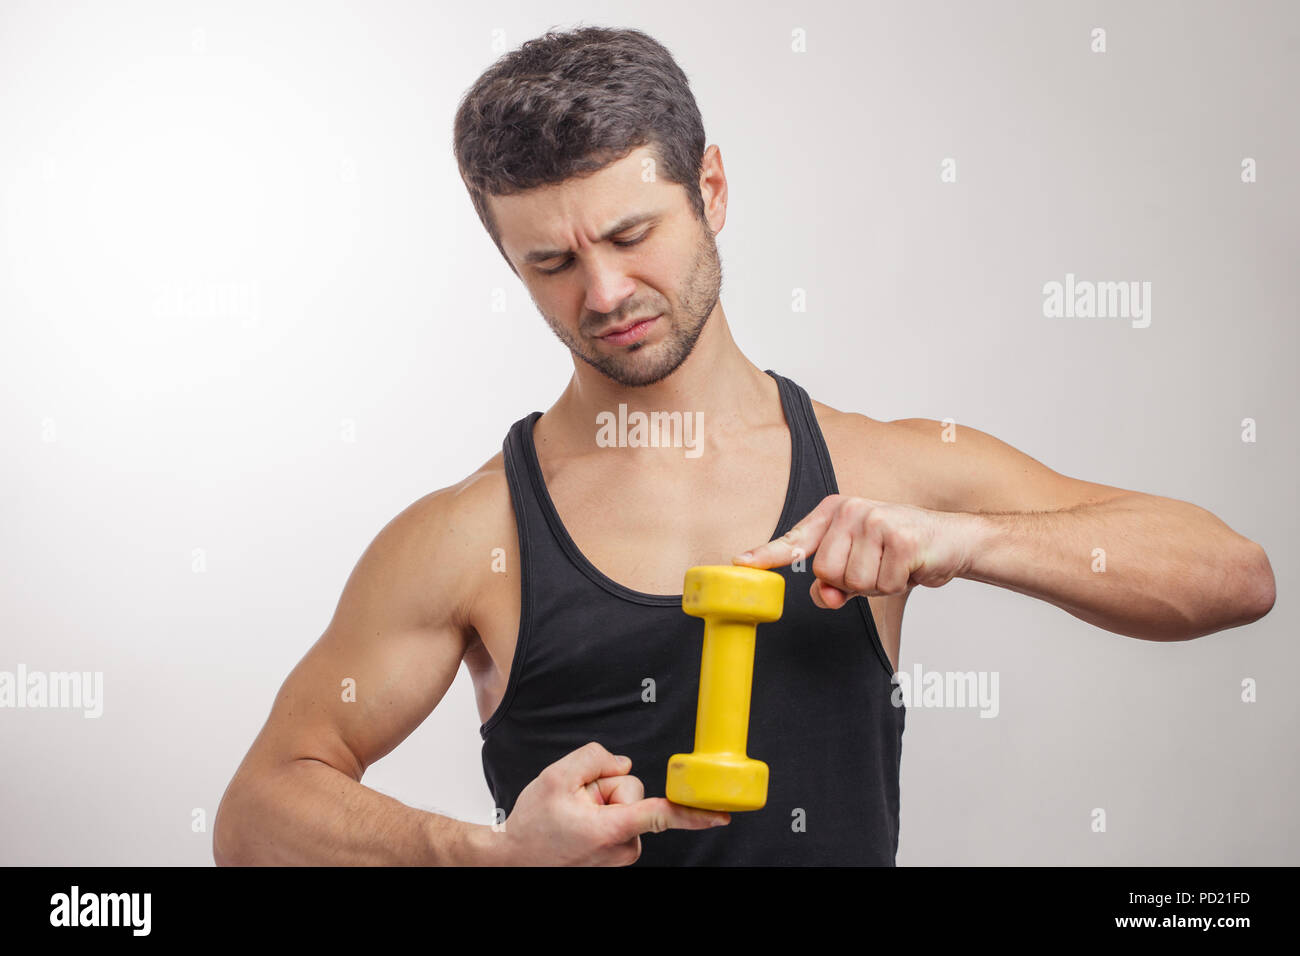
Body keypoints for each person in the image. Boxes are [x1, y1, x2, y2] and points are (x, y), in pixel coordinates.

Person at [213, 25, 1276, 867]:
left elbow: (1233, 573)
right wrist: (488, 854)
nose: (606, 293)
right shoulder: (469, 532)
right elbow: (258, 813)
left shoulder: (885, 471)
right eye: (550, 262)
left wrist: (965, 538)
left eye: (632, 235)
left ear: (709, 189)